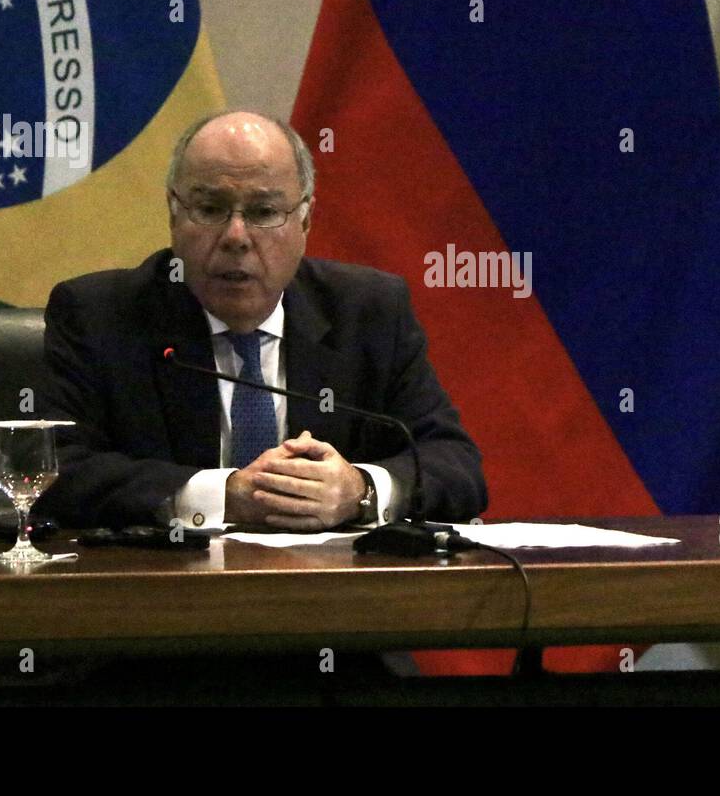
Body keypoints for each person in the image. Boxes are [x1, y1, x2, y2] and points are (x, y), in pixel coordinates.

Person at [37, 111, 486, 530]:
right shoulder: (99, 315)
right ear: (174, 215)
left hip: (331, 596)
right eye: (210, 209)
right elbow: (54, 471)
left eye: (264, 212)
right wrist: (220, 495)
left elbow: (455, 463)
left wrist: (361, 491)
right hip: (166, 598)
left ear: (305, 219)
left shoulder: (368, 311)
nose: (236, 237)